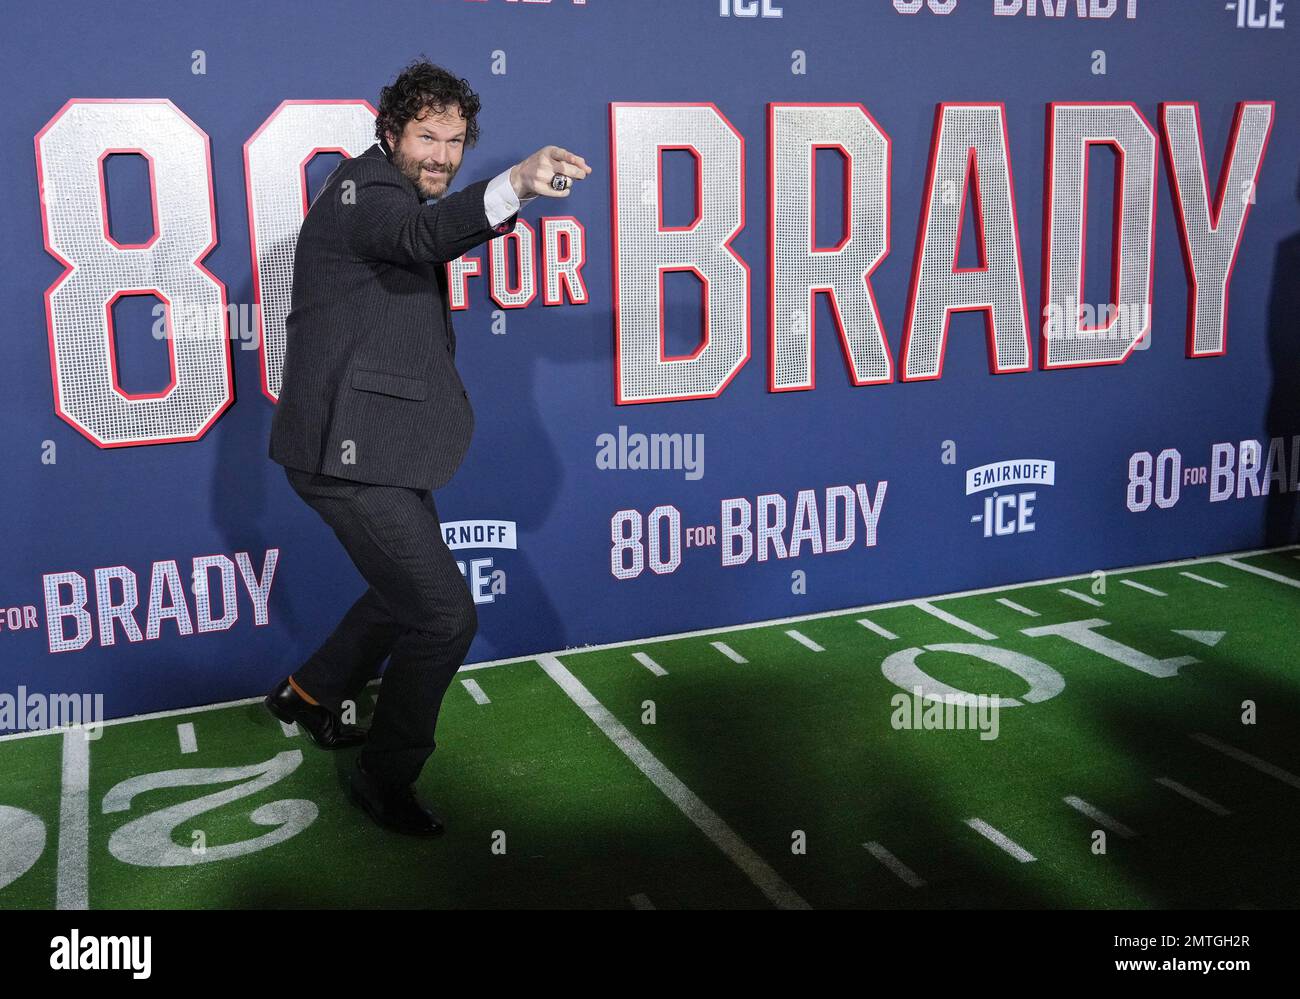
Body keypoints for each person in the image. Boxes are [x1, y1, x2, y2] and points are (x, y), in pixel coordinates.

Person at [265, 59, 591, 836]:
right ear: (389, 134)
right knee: (444, 617)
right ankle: (386, 775)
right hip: (344, 455)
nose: (440, 154)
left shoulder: (389, 186)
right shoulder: (367, 192)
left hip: (379, 444)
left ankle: (307, 694)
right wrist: (512, 183)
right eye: (424, 136)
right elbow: (417, 236)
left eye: (454, 140)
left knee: (403, 588)